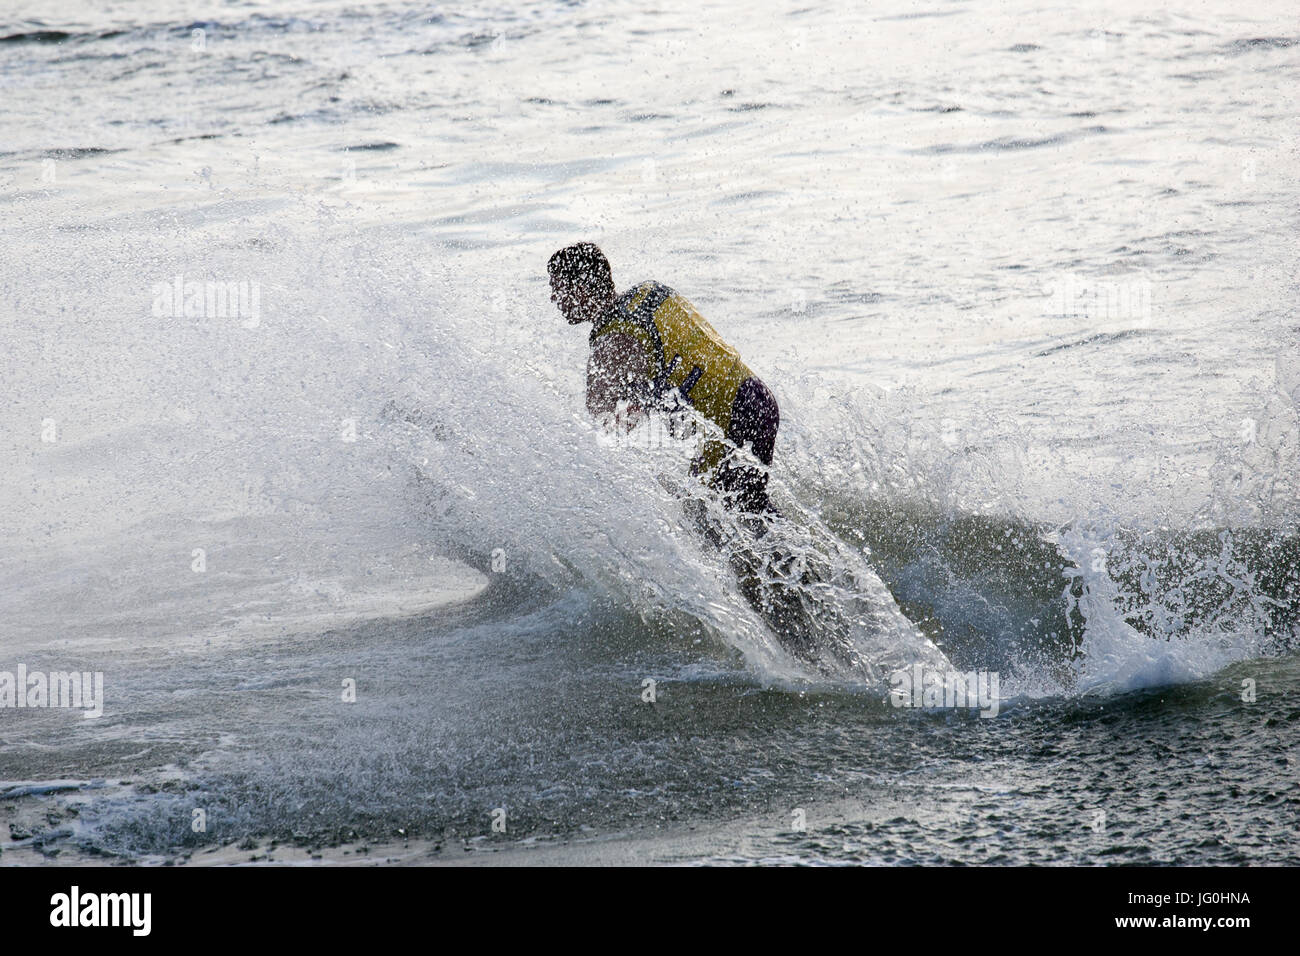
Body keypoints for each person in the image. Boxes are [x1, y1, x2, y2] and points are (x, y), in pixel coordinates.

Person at [548, 242, 779, 515]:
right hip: (757, 396)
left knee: (700, 515)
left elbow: (606, 427)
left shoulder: (609, 346)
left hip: (732, 421)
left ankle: (800, 559)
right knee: (751, 510)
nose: (554, 298)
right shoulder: (650, 291)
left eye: (557, 289)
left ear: (581, 290)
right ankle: (800, 557)